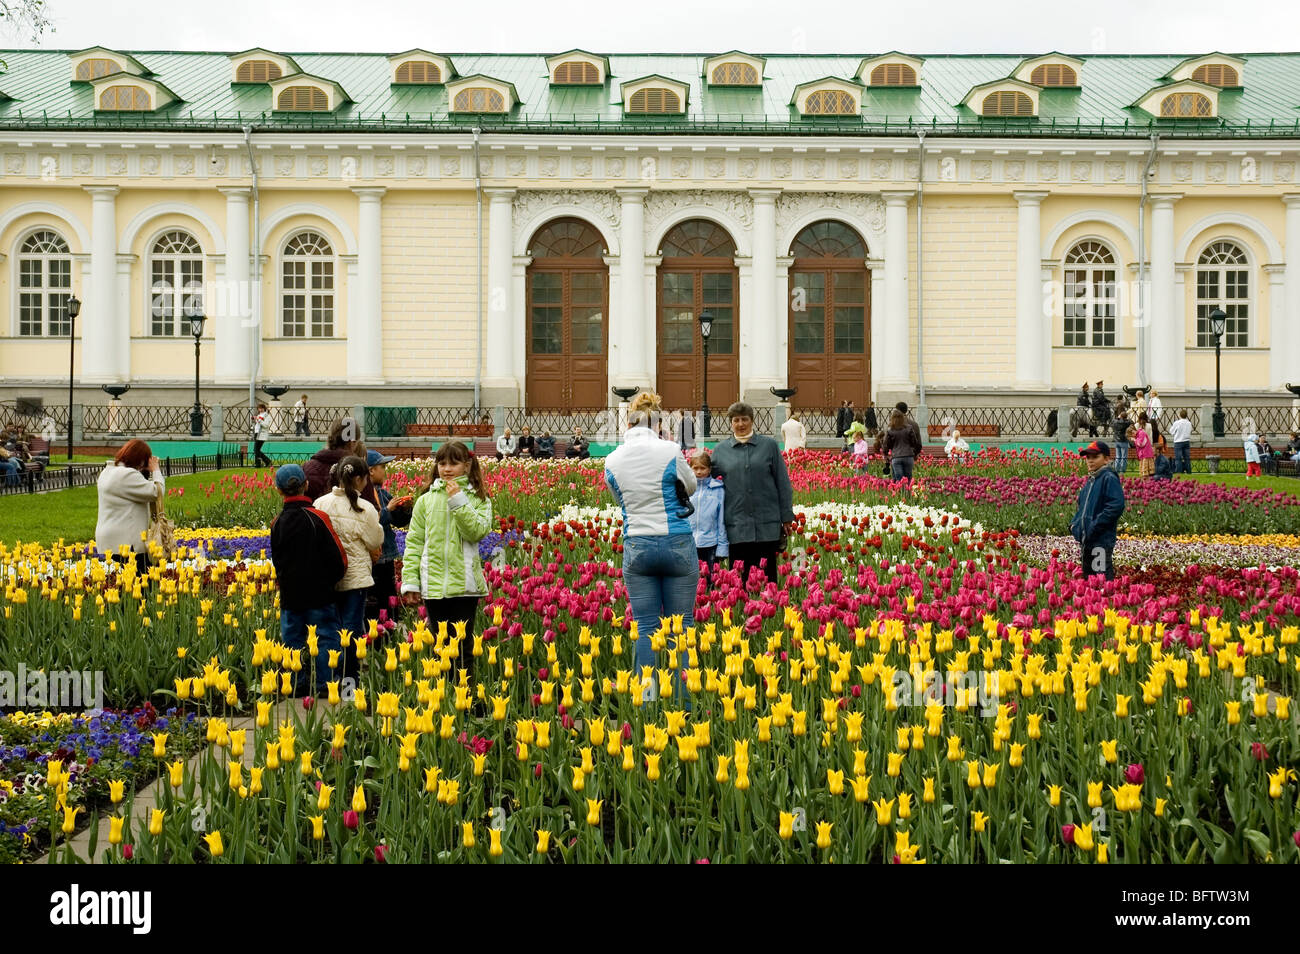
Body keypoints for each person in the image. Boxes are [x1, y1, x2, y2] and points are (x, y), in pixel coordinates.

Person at [603, 392, 698, 680]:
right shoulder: (669, 450)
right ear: (658, 422)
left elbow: (618, 498)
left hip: (638, 544)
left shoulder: (612, 459)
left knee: (645, 625)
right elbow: (691, 486)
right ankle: (683, 702)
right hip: (676, 541)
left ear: (628, 423)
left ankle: (647, 698)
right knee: (680, 626)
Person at [401, 441, 494, 677]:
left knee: (463, 648)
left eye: (454, 463)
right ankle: (443, 702)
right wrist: (410, 581)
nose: (447, 469)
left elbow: (476, 531)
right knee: (440, 648)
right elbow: (414, 543)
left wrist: (458, 500)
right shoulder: (425, 501)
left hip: (464, 586)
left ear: (467, 465)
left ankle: (466, 703)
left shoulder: (478, 499)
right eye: (442, 463)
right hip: (434, 585)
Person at [270, 464, 347, 695]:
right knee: (325, 637)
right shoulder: (318, 517)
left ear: (278, 490)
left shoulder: (277, 523)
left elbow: (278, 561)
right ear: (306, 485)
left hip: (290, 596)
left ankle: (295, 684)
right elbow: (338, 557)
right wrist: (331, 581)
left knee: (292, 640)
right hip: (320, 593)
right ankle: (326, 684)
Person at [710, 401, 795, 587]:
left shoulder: (769, 446)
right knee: (739, 581)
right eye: (736, 420)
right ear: (730, 423)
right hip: (736, 525)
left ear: (752, 421)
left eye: (744, 419)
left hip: (766, 523)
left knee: (768, 579)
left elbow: (782, 482)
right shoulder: (720, 451)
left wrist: (787, 516)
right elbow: (708, 485)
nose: (740, 424)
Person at [313, 455, 384, 679]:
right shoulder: (365, 508)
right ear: (361, 479)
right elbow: (375, 541)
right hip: (356, 579)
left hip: (327, 578)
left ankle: (327, 679)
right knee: (351, 631)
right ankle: (348, 682)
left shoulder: (320, 503)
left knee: (329, 630)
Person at [94, 439, 164, 575]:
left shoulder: (108, 471)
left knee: (118, 586)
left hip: (109, 540)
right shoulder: (126, 475)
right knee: (143, 586)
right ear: (140, 460)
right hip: (127, 542)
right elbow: (157, 492)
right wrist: (156, 470)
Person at [365, 449, 409, 628]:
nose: (385, 471)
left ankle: (391, 629)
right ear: (370, 471)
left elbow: (399, 522)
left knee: (389, 597)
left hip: (388, 555)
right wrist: (387, 511)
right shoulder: (364, 496)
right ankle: (375, 633)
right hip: (374, 557)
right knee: (375, 600)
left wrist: (405, 510)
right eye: (382, 467)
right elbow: (369, 523)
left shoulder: (383, 494)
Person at [1070, 440, 1126, 581]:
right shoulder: (1090, 482)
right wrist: (1074, 526)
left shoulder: (1108, 478)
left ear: (1106, 459)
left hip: (1100, 541)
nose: (1090, 461)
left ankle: (1107, 603)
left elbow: (1115, 506)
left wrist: (1094, 526)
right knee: (1089, 580)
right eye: (1088, 457)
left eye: (1095, 457)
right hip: (1087, 540)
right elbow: (1081, 509)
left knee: (1101, 579)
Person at [687, 450, 727, 575]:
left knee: (710, 580)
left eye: (703, 468)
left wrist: (722, 547)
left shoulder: (718, 489)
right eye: (695, 468)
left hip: (711, 544)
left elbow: (721, 520)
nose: (699, 472)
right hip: (690, 542)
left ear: (709, 469)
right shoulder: (686, 489)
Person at [304, 417, 363, 500]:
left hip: (313, 512)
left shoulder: (307, 467)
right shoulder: (358, 469)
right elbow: (370, 507)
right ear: (352, 442)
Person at [884, 409, 922, 483]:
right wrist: (915, 452)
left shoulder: (890, 430)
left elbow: (886, 445)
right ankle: (907, 494)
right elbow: (914, 442)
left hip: (896, 456)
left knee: (899, 480)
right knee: (908, 479)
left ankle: (901, 494)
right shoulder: (909, 428)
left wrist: (886, 454)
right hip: (908, 456)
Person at [1170, 410, 1193, 474]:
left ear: (1179, 415)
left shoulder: (1177, 423)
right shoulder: (1189, 423)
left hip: (1178, 441)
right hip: (1186, 441)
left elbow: (1171, 432)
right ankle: (1189, 471)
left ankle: (1179, 472)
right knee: (1187, 458)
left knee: (1178, 458)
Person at [1110, 406, 1130, 474]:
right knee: (1124, 456)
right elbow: (1131, 421)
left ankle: (1116, 469)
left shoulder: (1115, 422)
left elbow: (1112, 422)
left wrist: (1118, 417)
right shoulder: (1126, 423)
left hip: (1117, 440)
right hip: (1124, 440)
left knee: (1118, 456)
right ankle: (1122, 470)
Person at [252, 402, 273, 467]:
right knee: (256, 450)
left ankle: (264, 462)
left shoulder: (267, 416)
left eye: (261, 408)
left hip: (261, 434)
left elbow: (266, 425)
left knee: (256, 450)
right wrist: (255, 419)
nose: (260, 410)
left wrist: (258, 420)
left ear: (264, 408)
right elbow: (258, 424)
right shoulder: (259, 415)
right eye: (259, 408)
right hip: (257, 433)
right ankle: (261, 463)